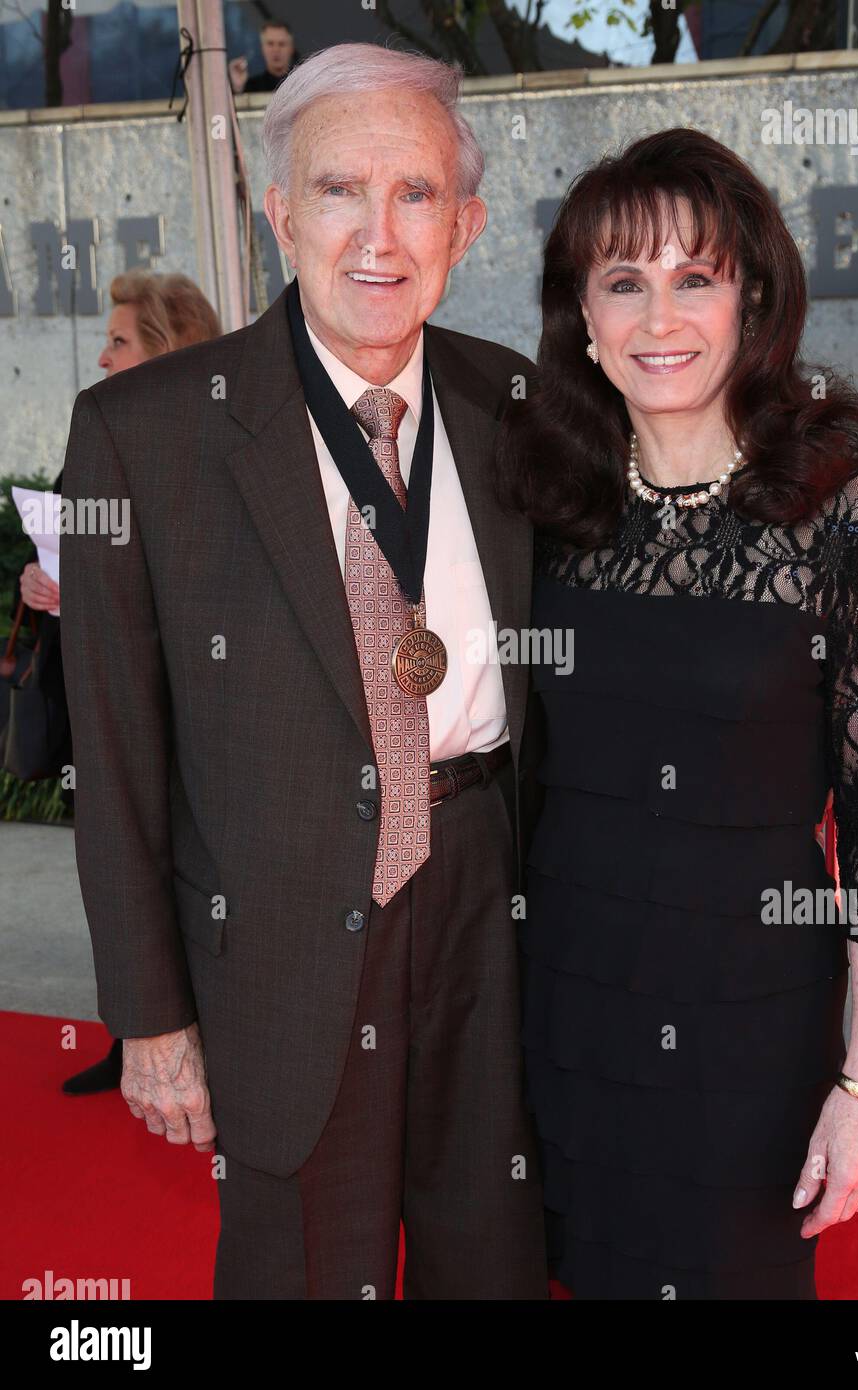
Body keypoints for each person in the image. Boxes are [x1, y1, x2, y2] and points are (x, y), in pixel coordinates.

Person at [60, 44, 547, 1299]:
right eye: (339, 190)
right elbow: (112, 760)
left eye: (417, 194)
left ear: (467, 222)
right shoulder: (143, 432)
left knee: (489, 1264)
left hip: (489, 910)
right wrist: (150, 1019)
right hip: (273, 944)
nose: (377, 235)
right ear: (280, 215)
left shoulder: (524, 409)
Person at [495, 127, 858, 1299]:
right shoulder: (544, 504)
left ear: (751, 299)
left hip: (750, 1022)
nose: (658, 318)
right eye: (623, 282)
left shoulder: (834, 512)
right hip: (569, 1002)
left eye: (694, 278)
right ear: (581, 315)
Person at [11, 271, 220, 1095]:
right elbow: (72, 548)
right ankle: (134, 1027)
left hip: (191, 721)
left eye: (120, 340)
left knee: (192, 885)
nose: (101, 355)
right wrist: (42, 583)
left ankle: (205, 1037)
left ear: (167, 349)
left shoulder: (219, 451)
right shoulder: (102, 434)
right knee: (118, 871)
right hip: (102, 710)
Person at [229, 19, 300, 95]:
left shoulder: (301, 84)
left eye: (281, 44)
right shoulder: (251, 87)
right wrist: (238, 88)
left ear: (291, 48)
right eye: (270, 44)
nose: (276, 50)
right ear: (262, 48)